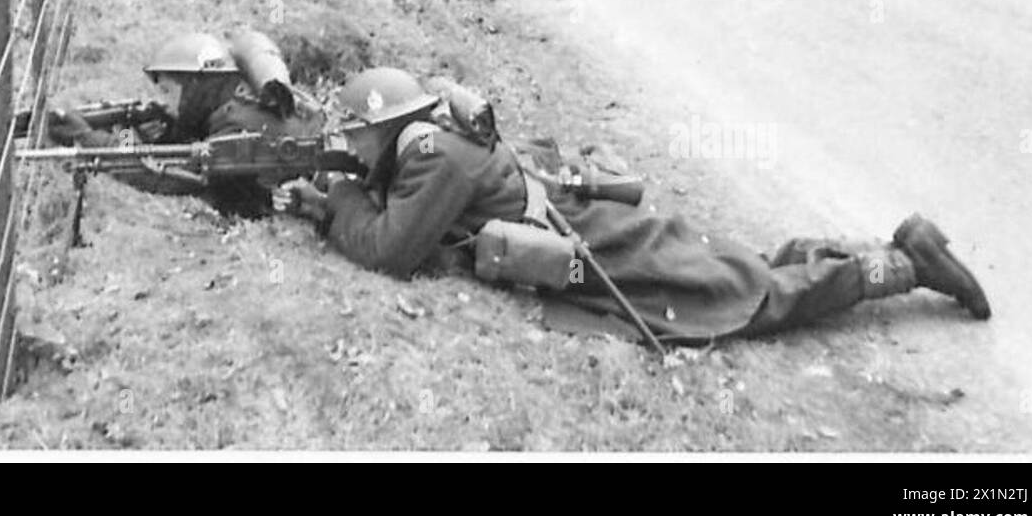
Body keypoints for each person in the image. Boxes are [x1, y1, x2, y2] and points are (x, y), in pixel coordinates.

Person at [274, 67, 992, 344]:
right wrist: (331, 198)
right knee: (729, 265)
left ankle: (905, 264)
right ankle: (891, 245)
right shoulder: (425, 141)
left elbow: (390, 252)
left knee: (733, 297)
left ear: (387, 127)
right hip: (570, 219)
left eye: (356, 137)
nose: (353, 150)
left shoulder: (430, 157)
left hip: (583, 241)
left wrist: (334, 201)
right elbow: (387, 205)